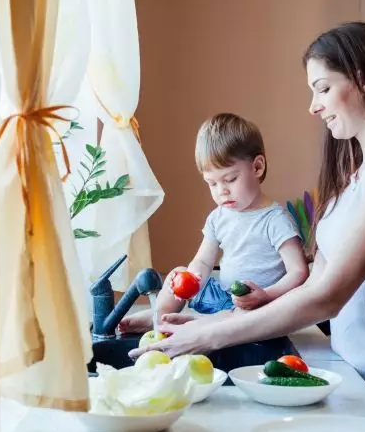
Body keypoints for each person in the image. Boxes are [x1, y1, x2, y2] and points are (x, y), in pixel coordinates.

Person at [129, 22, 365, 432]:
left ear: (363, 80)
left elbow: (328, 296)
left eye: (322, 88)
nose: (313, 106)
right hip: (364, 381)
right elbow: (311, 285)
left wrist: (212, 338)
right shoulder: (358, 177)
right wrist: (205, 324)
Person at [118, 112, 309, 333]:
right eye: (212, 183)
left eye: (230, 179)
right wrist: (190, 279)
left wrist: (266, 295)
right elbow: (203, 262)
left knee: (243, 318)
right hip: (221, 296)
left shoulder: (275, 219)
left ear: (257, 167)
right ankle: (159, 317)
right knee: (179, 272)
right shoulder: (219, 217)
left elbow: (298, 271)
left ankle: (196, 325)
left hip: (260, 305)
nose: (222, 191)